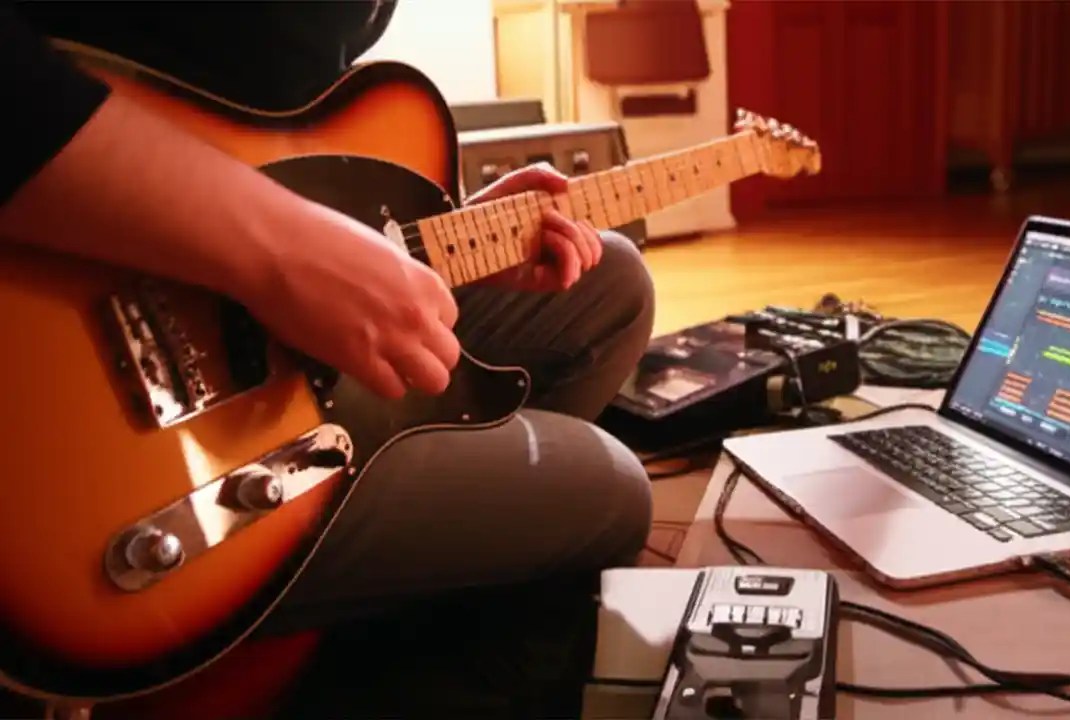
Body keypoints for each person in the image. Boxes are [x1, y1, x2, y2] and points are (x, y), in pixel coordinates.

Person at [0, 1, 655, 717]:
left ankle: (311, 598)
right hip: (93, 297)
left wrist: (428, 236)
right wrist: (278, 251)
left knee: (610, 287)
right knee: (606, 492)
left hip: (249, 298)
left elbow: (270, 114)